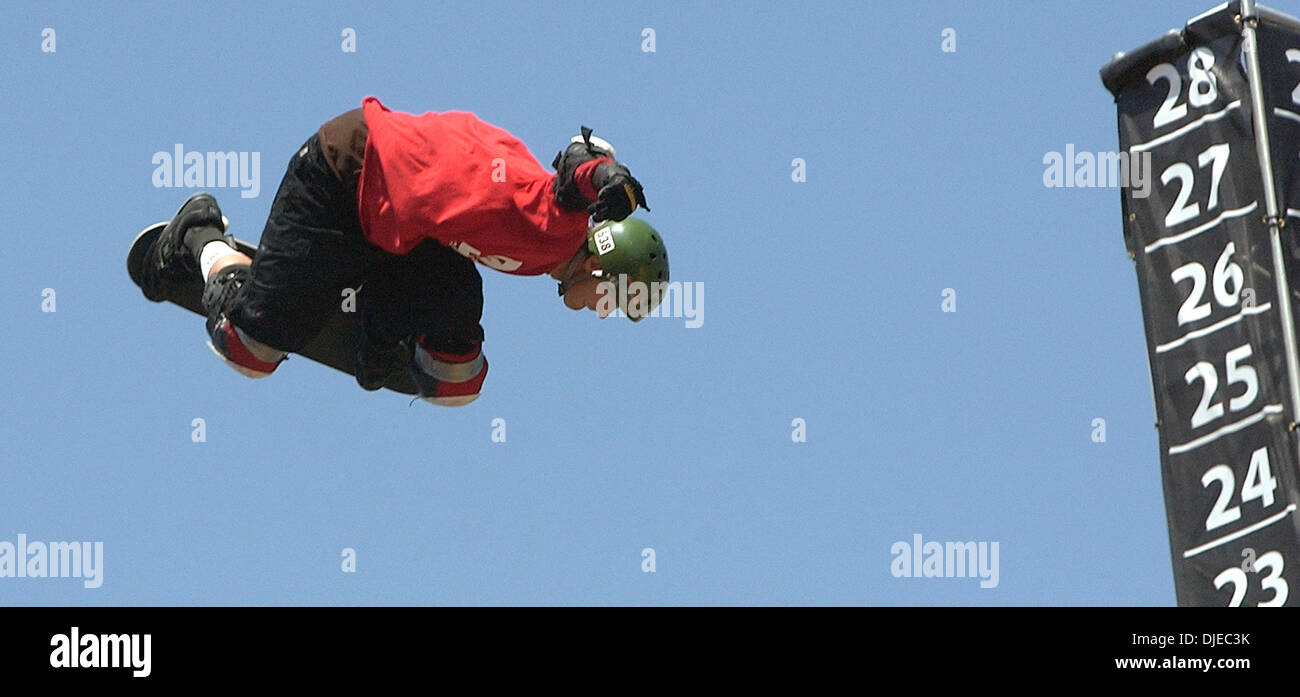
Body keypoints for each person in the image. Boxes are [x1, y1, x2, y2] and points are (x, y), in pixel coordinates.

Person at [136, 97, 669, 406]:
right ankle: (201, 236)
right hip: (344, 175)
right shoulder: (558, 225)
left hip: (407, 229)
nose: (606, 312)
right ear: (600, 262)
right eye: (613, 299)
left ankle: (382, 321)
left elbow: (573, 157)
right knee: (248, 350)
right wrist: (607, 177)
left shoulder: (547, 255)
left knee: (457, 381)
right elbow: (573, 172)